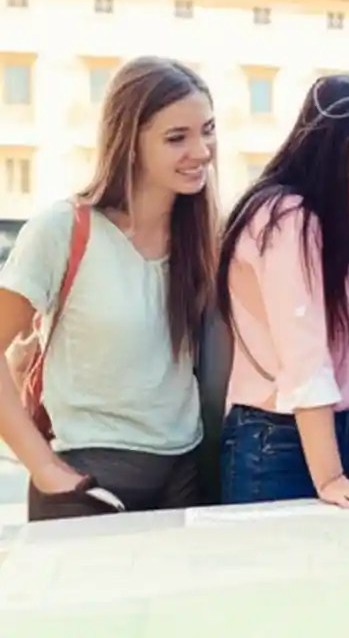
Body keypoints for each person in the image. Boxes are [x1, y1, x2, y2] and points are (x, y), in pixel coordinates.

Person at [0, 56, 217, 520]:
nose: (201, 151)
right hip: (89, 478)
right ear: (129, 143)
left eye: (208, 130)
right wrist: (44, 468)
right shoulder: (63, 228)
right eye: (177, 137)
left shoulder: (202, 238)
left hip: (186, 476)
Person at [217, 74, 349, 509]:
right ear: (324, 162)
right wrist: (331, 478)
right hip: (282, 442)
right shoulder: (288, 217)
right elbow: (303, 354)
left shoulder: (341, 222)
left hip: (339, 431)